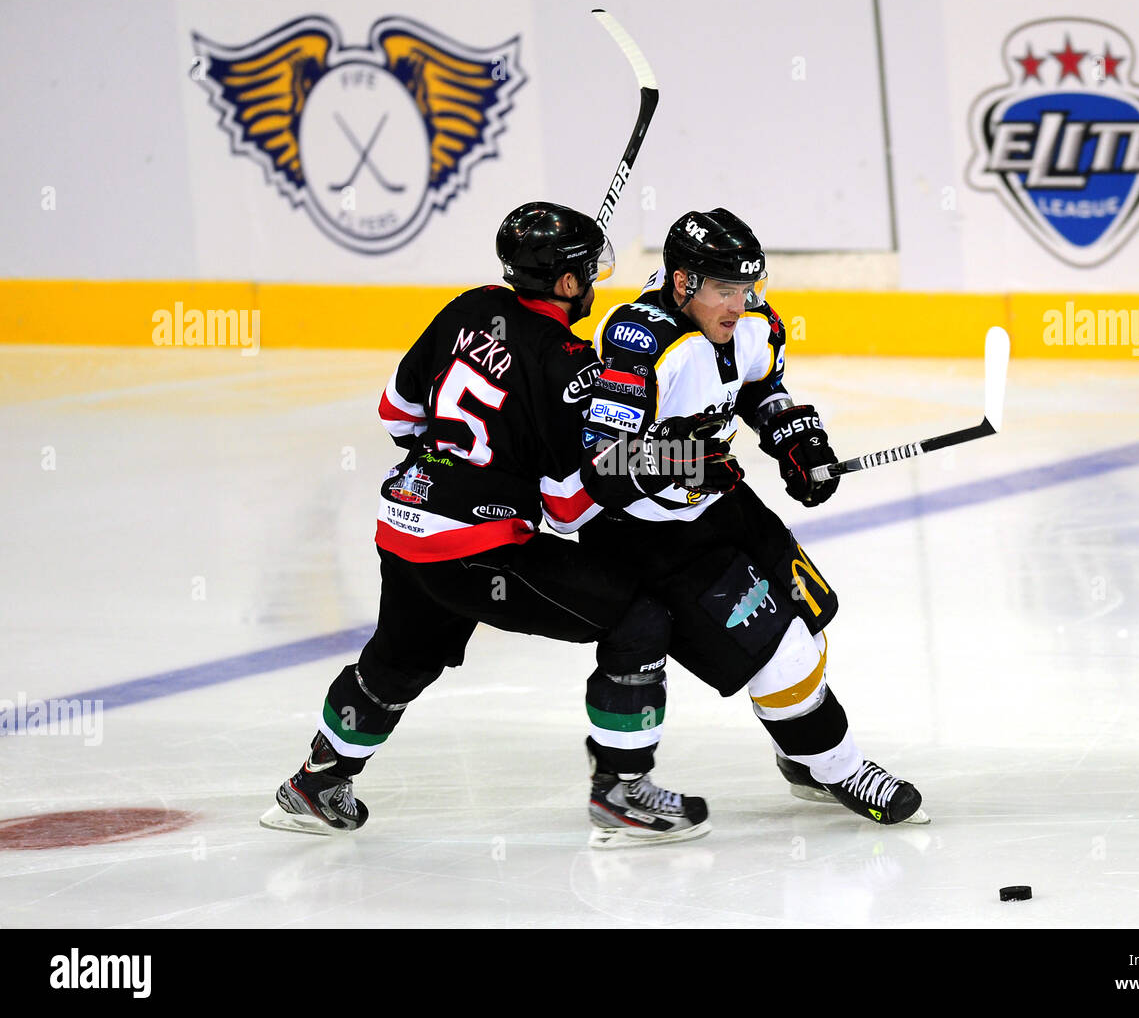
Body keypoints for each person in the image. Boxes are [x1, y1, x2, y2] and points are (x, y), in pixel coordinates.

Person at [261, 203, 709, 847]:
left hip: (404, 528)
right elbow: (564, 509)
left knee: (400, 656)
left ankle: (316, 781)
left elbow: (396, 417)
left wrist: (463, 458)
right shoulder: (570, 362)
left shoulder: (467, 307)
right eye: (587, 273)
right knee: (638, 618)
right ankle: (621, 791)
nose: (594, 284)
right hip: (478, 550)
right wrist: (642, 467)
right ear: (565, 284)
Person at [575, 207, 927, 825]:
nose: (740, 303)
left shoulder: (754, 323)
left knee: (809, 626)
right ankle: (838, 766)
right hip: (650, 534)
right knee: (782, 657)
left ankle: (801, 755)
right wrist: (681, 460)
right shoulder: (640, 340)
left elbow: (762, 391)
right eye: (724, 290)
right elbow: (602, 466)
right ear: (682, 283)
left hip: (722, 504)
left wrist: (799, 441)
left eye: (748, 286)